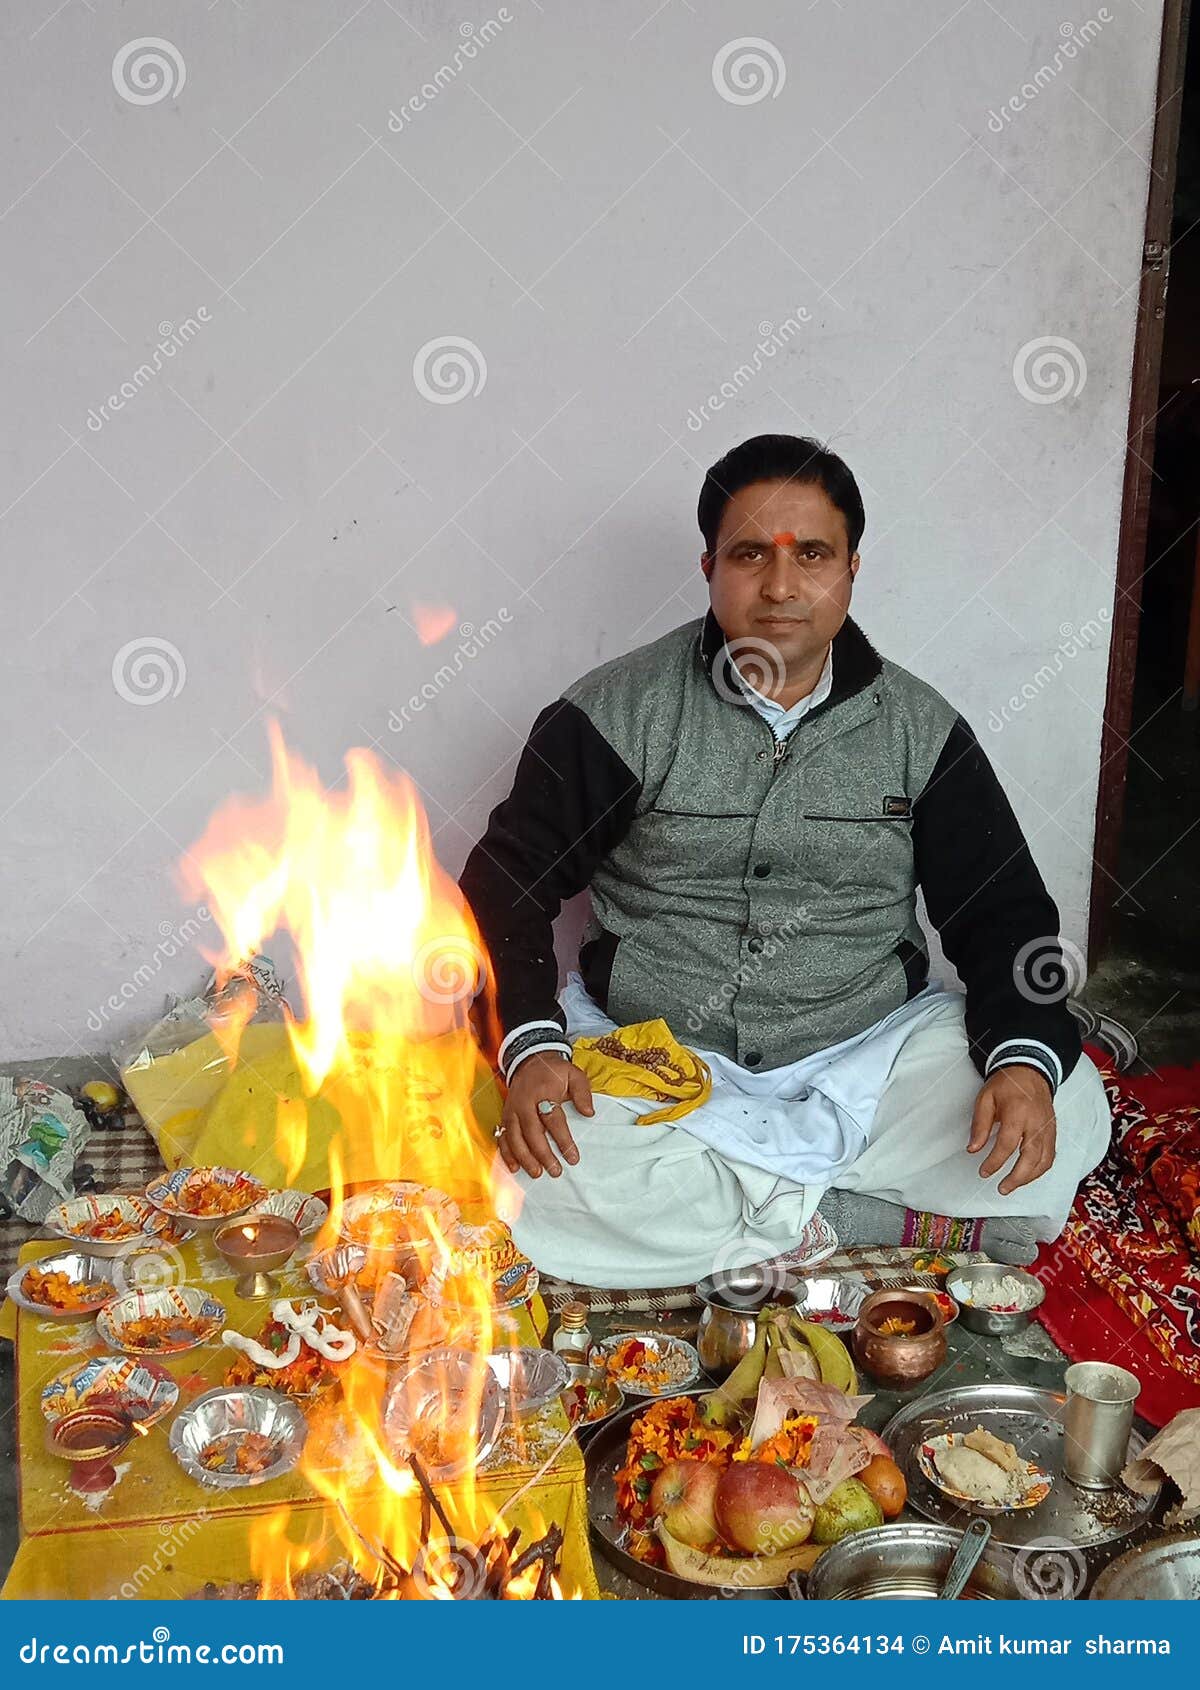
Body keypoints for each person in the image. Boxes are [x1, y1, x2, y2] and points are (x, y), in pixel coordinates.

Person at [460, 434, 1111, 1287]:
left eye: (811, 554)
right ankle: (858, 1217)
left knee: (1070, 1103)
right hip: (657, 1060)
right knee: (549, 1174)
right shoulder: (615, 712)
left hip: (867, 1052)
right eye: (749, 555)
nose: (779, 585)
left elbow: (1005, 919)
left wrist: (1022, 1062)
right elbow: (503, 885)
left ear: (850, 571)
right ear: (708, 568)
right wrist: (535, 1047)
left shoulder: (920, 728)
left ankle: (749, 1215)